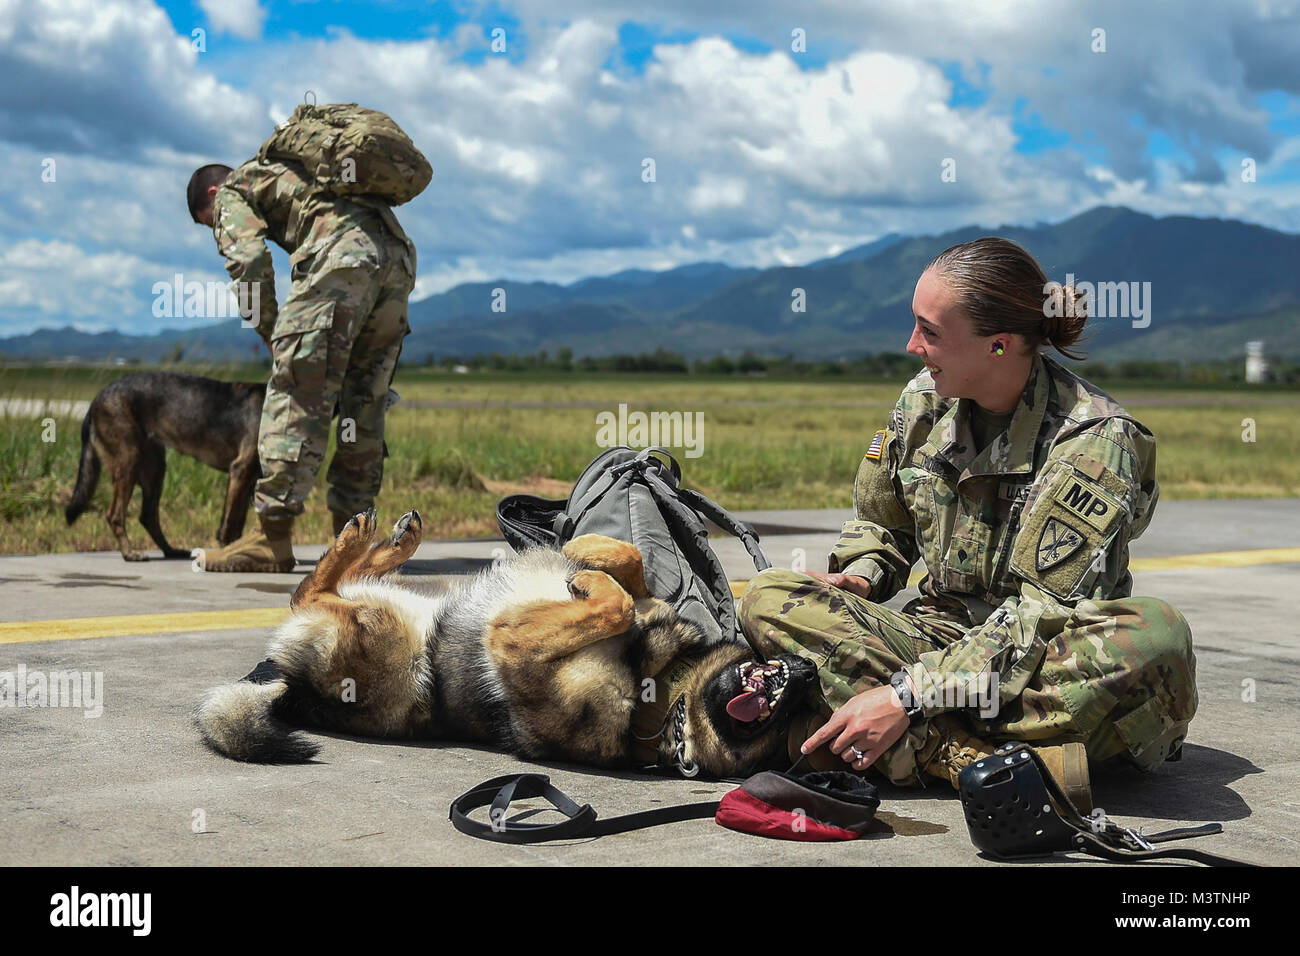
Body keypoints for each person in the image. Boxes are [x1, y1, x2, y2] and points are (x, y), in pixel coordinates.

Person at [739, 237, 1197, 809]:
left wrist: (904, 696)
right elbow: (884, 529)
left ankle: (881, 729)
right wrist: (860, 578)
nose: (912, 347)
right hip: (936, 641)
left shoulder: (1094, 440)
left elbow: (1039, 616)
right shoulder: (921, 406)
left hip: (1042, 666)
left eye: (930, 332)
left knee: (1156, 636)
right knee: (768, 596)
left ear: (999, 346)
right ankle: (967, 760)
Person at [186, 156, 416, 571]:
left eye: (209, 223)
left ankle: (269, 539)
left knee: (294, 395)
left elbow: (249, 262)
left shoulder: (233, 191)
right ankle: (355, 545)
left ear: (212, 195)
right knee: (363, 404)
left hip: (341, 259)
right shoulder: (300, 174)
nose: (214, 229)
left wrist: (275, 334)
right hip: (396, 257)